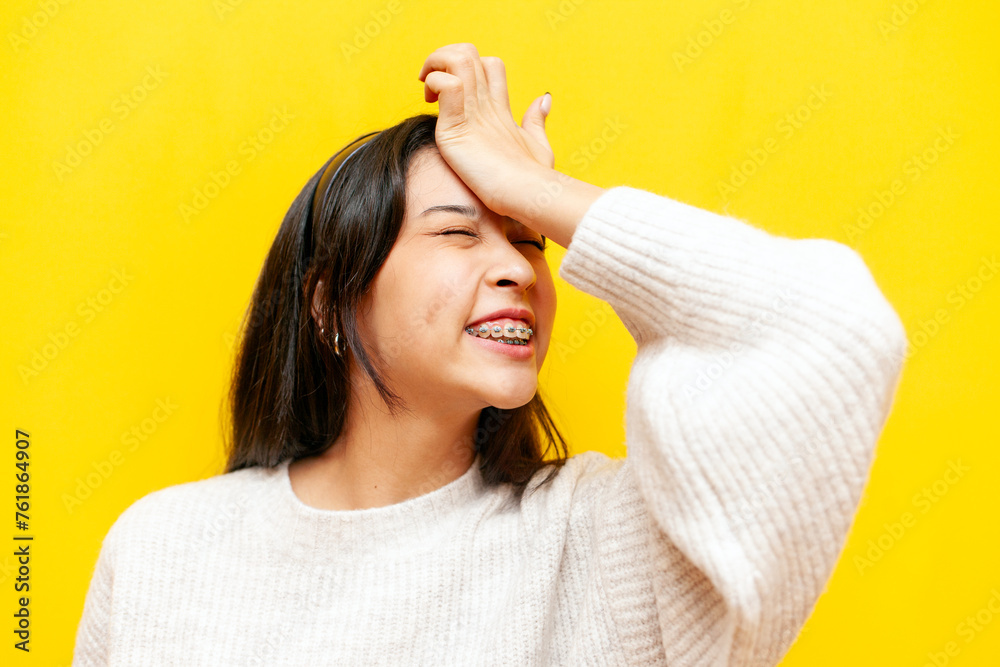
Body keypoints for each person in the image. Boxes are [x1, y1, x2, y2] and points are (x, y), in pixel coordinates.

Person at [72, 43, 907, 666]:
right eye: (458, 232)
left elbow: (833, 330)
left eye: (530, 242)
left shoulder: (601, 546)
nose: (517, 266)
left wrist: (536, 189)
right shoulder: (161, 549)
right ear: (329, 304)